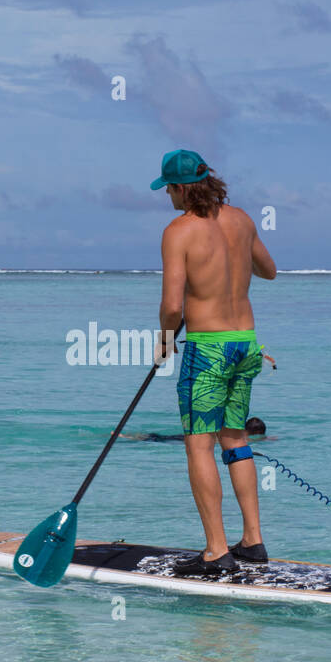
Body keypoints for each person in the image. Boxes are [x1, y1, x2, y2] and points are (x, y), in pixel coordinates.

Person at [150, 149, 277, 575]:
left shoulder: (178, 231)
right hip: (246, 344)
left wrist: (166, 340)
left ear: (182, 187)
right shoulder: (241, 220)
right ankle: (253, 540)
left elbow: (171, 305)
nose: (167, 195)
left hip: (208, 349)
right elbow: (269, 270)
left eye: (168, 187)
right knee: (236, 439)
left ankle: (216, 550)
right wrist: (233, 258)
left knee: (198, 444)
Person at [115, 417, 269, 443]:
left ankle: (125, 435)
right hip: (190, 441)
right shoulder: (241, 438)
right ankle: (125, 437)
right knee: (157, 439)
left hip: (190, 436)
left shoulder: (235, 430)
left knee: (160, 438)